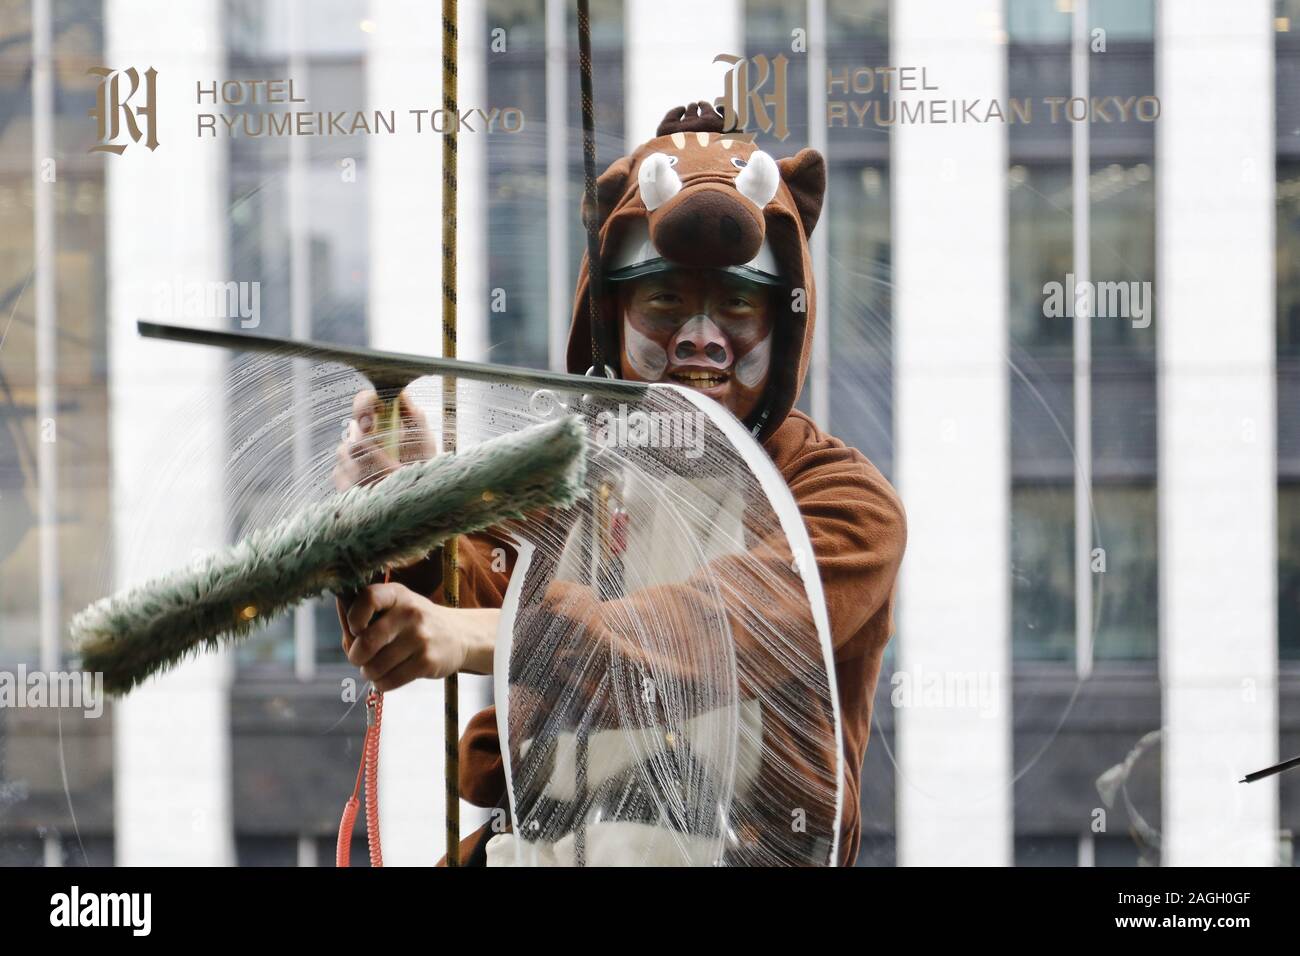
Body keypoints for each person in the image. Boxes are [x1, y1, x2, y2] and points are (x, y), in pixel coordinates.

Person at [333, 101, 906, 866]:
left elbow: (708, 636)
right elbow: (450, 590)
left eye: (737, 304)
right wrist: (406, 503)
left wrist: (480, 638)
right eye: (665, 300)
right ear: (611, 316)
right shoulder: (564, 481)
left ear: (782, 324)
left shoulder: (841, 504)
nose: (701, 337)